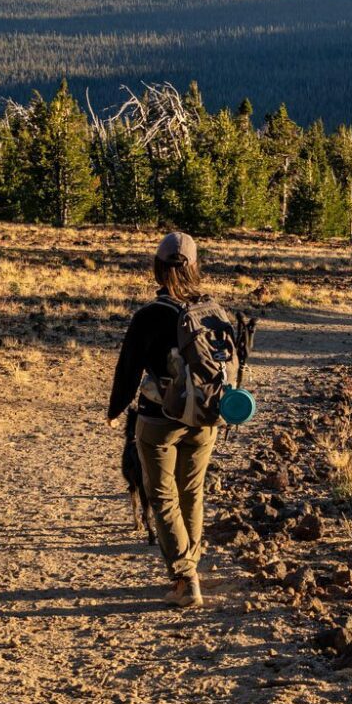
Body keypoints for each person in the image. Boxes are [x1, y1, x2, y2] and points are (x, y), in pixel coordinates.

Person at [107, 231, 218, 608]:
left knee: (162, 496)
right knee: (192, 492)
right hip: (204, 417)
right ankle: (192, 564)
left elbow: (128, 369)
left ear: (156, 267)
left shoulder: (149, 316)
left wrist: (116, 409)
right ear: (195, 267)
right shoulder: (210, 309)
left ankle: (186, 578)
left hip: (158, 418)